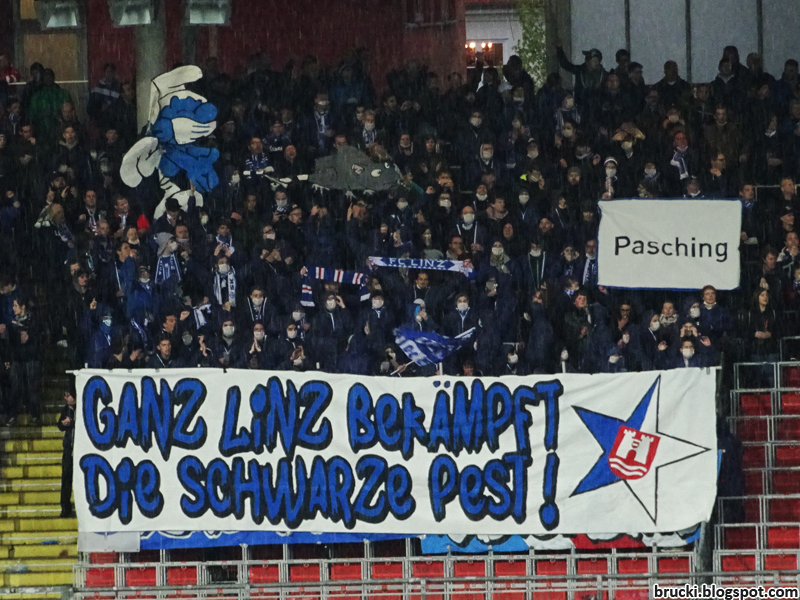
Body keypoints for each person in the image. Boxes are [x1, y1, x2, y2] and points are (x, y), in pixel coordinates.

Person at [56, 384, 76, 517]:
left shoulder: (82, 408)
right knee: (66, 478)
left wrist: (72, 422)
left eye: (68, 395)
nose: (65, 398)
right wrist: (63, 423)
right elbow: (59, 425)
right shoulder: (66, 409)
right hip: (68, 449)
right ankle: (65, 507)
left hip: (79, 449)